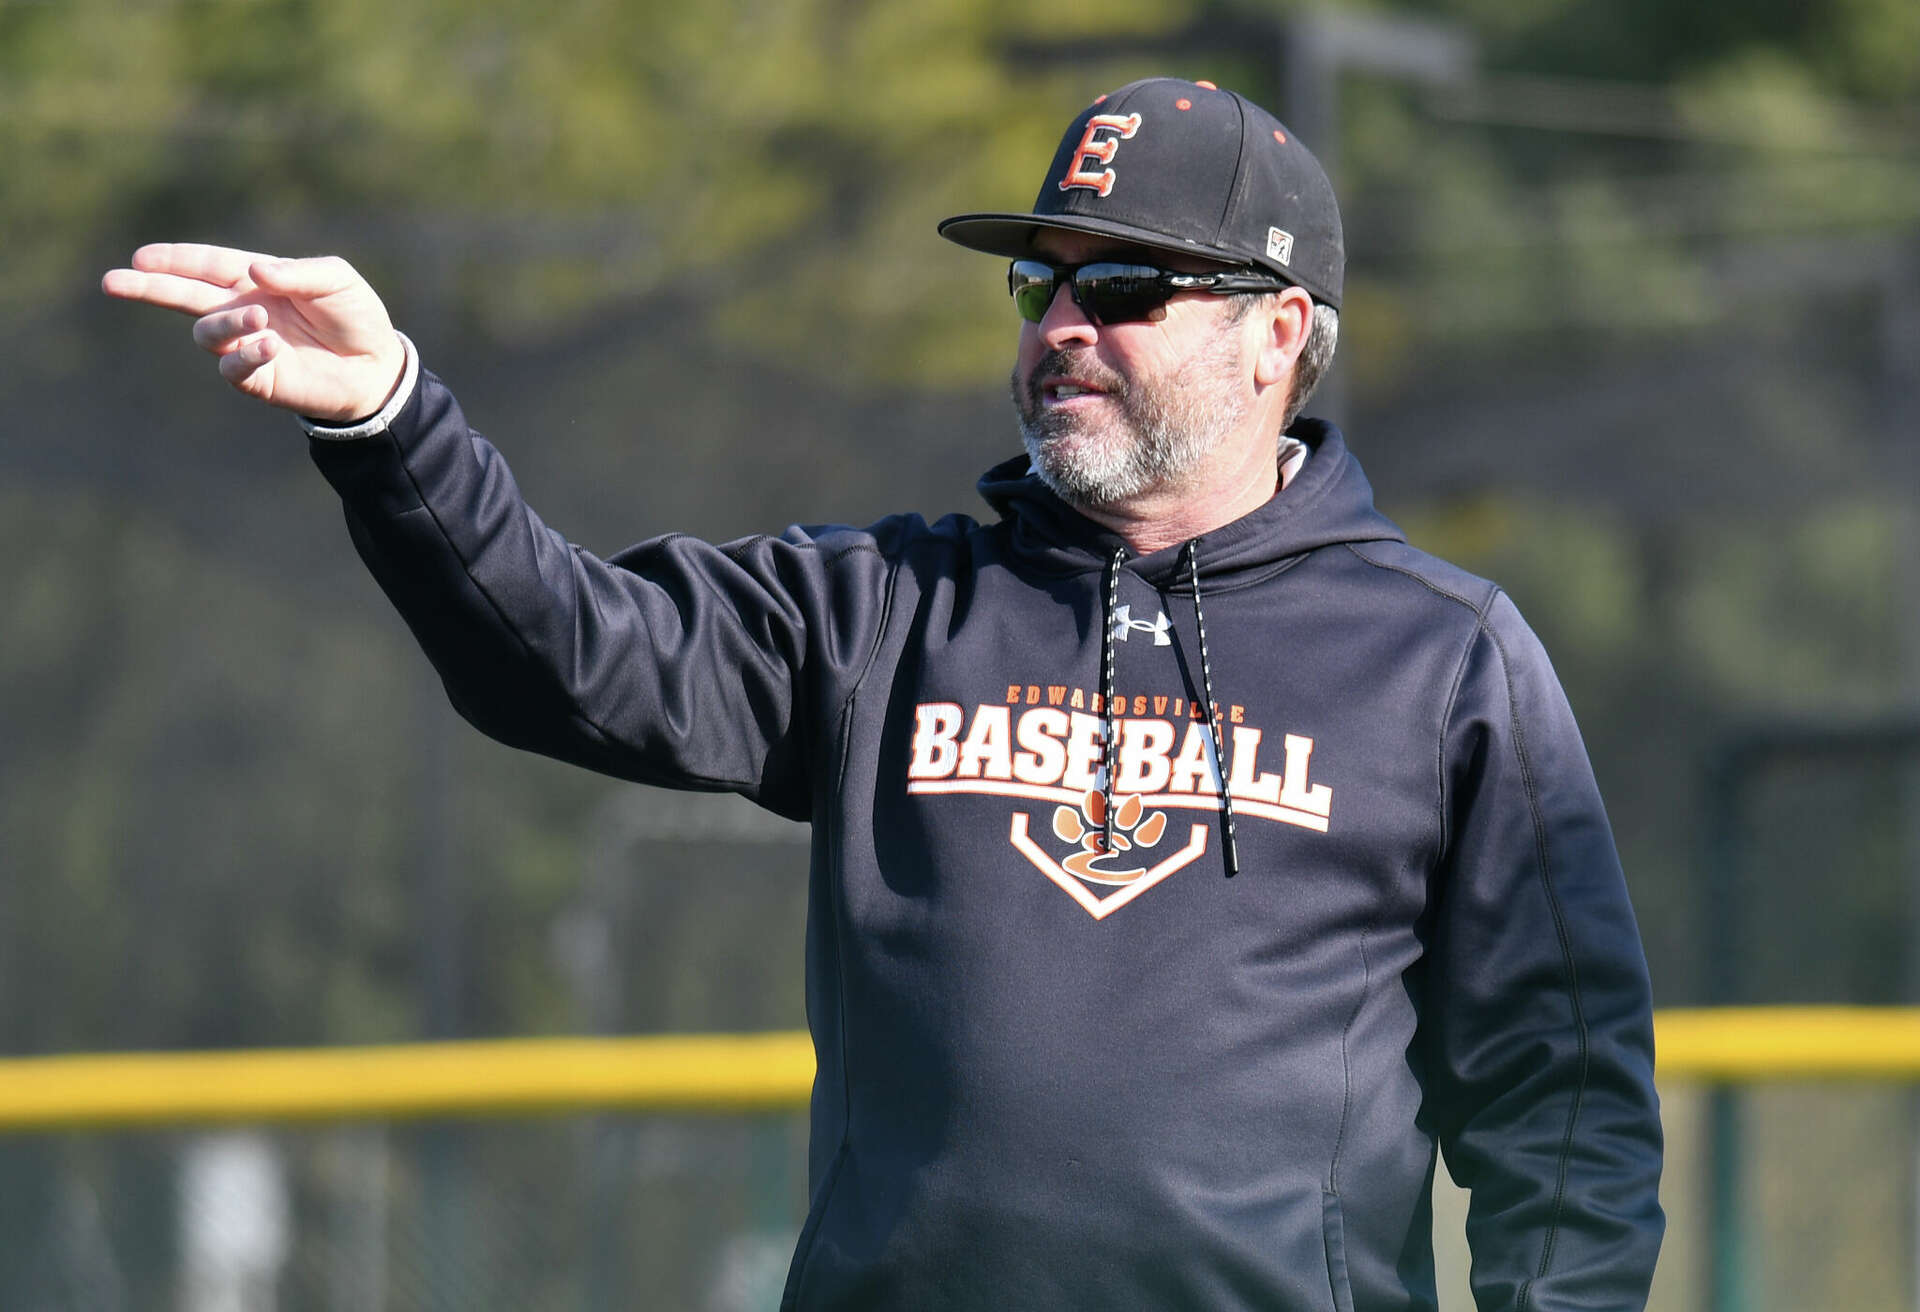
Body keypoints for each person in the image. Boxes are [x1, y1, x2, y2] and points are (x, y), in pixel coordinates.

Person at [106, 77, 1663, 1312]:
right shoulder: (889, 608)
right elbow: (562, 652)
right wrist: (391, 418)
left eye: (1121, 285)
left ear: (1278, 333)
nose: (1062, 325)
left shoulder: (1443, 655)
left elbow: (1568, 1107)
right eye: (1040, 287)